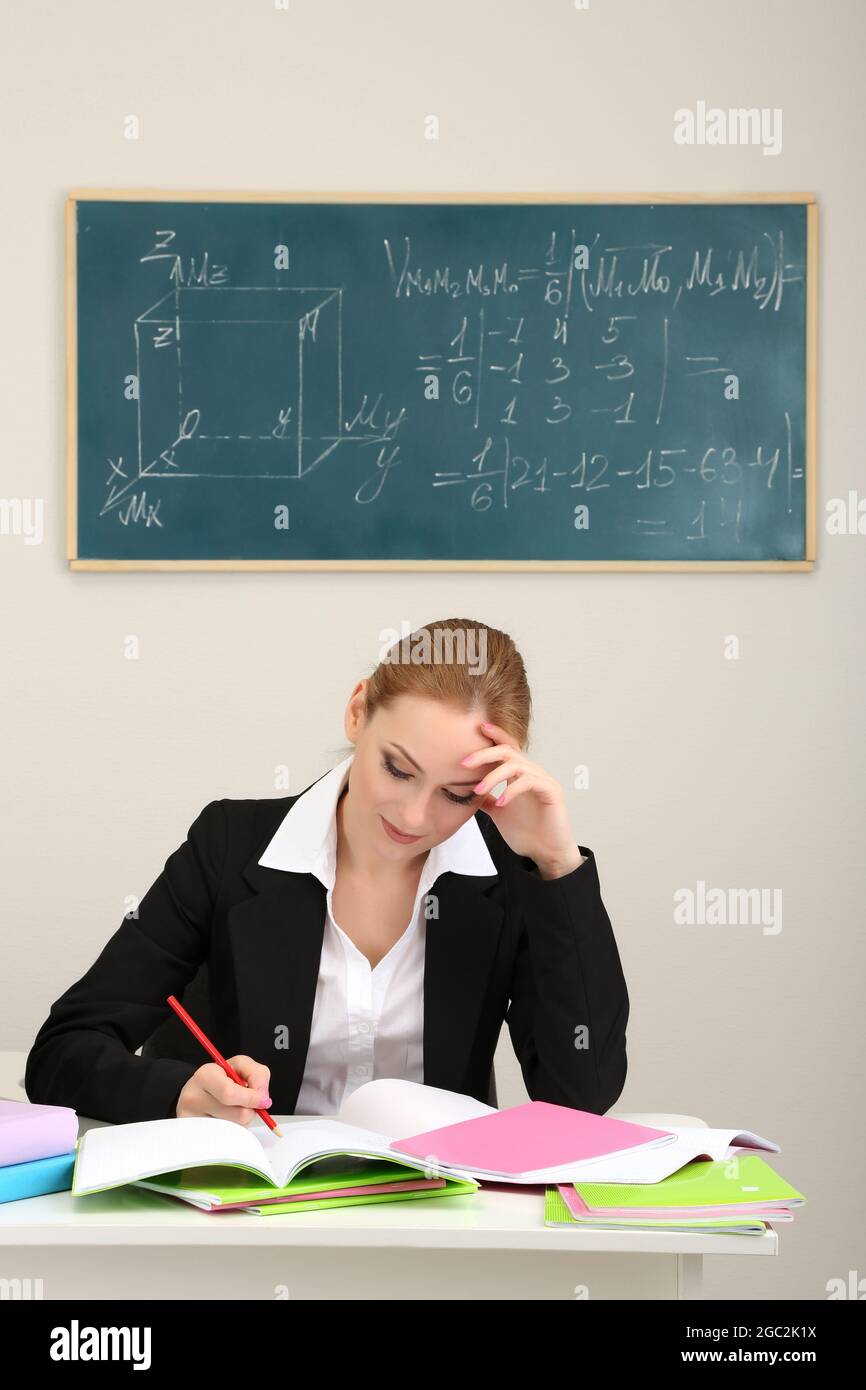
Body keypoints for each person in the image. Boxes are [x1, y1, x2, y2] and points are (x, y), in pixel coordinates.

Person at [25, 618, 629, 1126]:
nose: (415, 816)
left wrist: (556, 867)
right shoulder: (232, 846)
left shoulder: (509, 876)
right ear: (358, 711)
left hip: (440, 1216)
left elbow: (581, 1097)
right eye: (397, 769)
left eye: (457, 794)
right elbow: (62, 1055)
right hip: (251, 1210)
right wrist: (179, 1093)